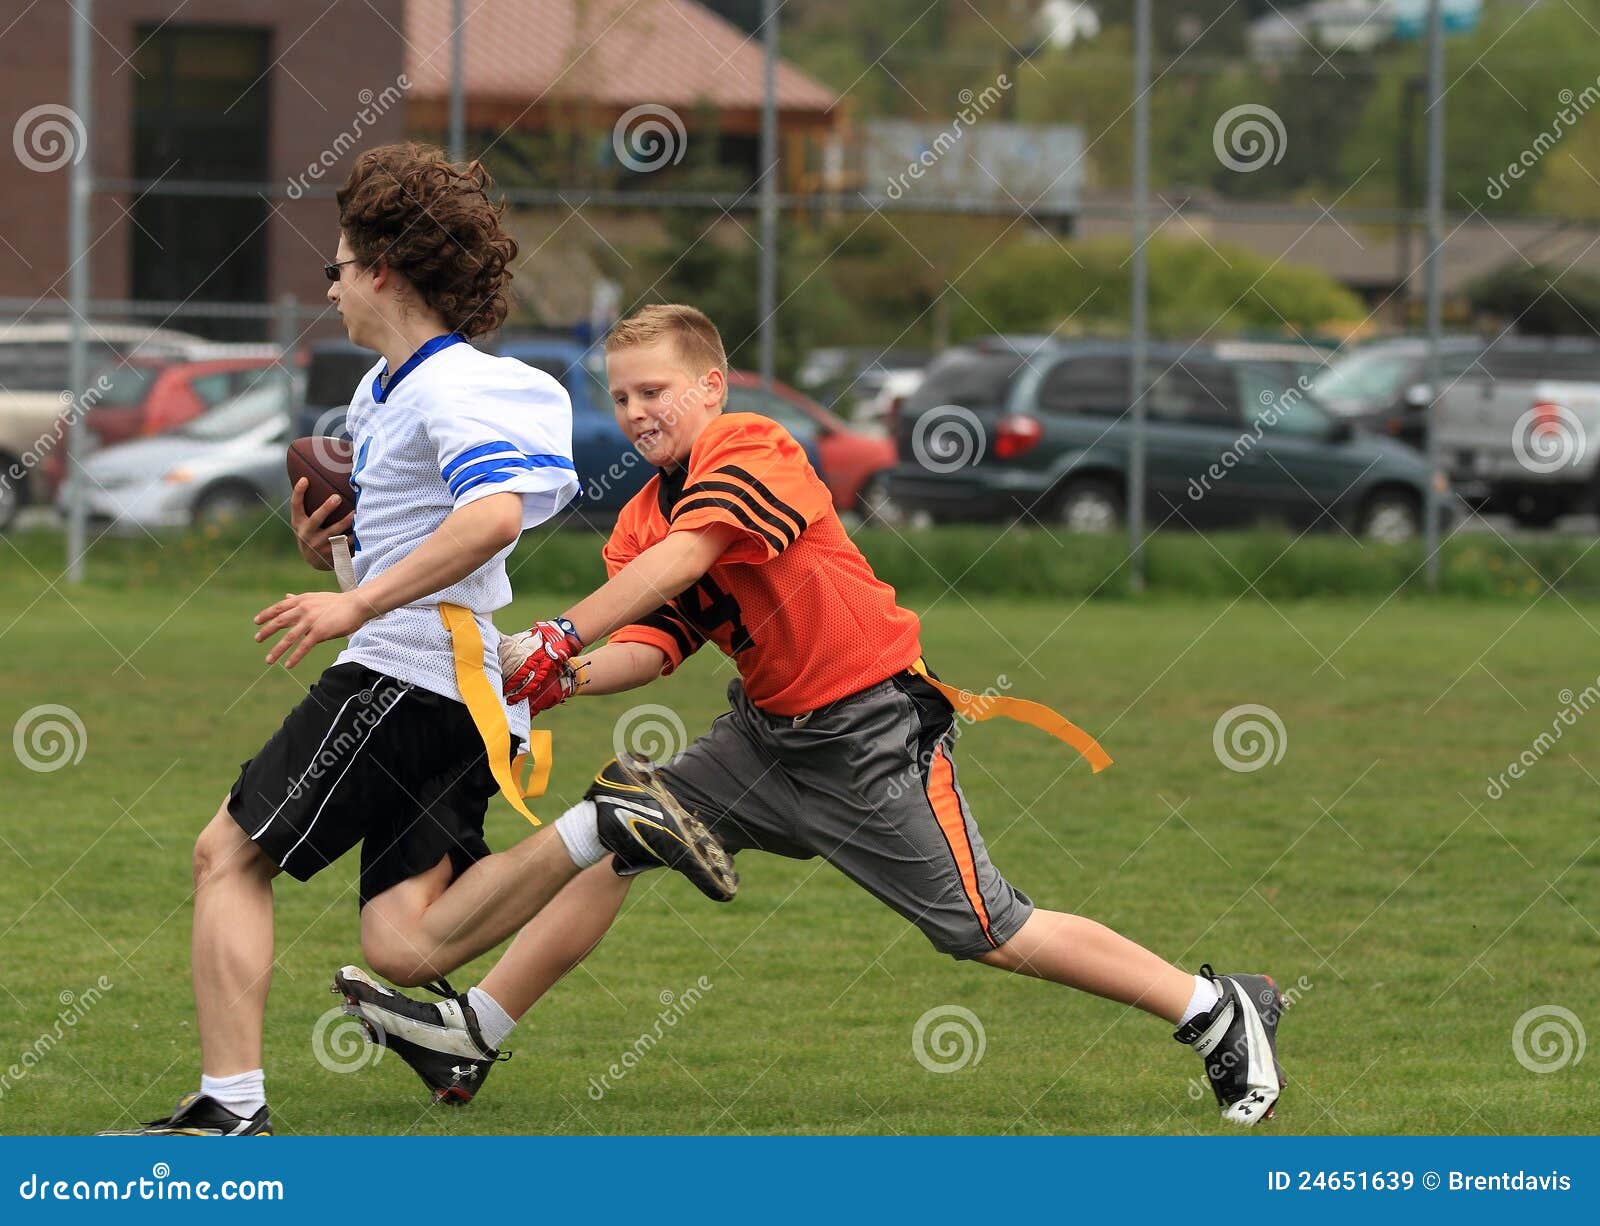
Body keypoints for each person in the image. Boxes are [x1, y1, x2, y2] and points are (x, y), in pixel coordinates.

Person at [336, 303, 1287, 1126]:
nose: (636, 413)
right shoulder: (637, 516)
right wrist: (568, 674)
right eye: (621, 398)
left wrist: (555, 632)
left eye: (655, 391)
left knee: (987, 931)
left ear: (712, 386)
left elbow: (692, 556)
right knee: (627, 835)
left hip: (869, 733)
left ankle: (1213, 1008)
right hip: (764, 734)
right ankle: (476, 1032)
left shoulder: (753, 444)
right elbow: (661, 641)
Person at [100, 150, 734, 1137]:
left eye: (339, 266)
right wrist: (337, 553)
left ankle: (229, 1107)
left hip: (406, 674)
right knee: (402, 943)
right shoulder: (383, 390)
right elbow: (419, 532)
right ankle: (604, 825)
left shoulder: (456, 387)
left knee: (227, 854)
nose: (332, 286)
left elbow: (488, 520)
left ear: (384, 270)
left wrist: (355, 609)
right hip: (459, 682)